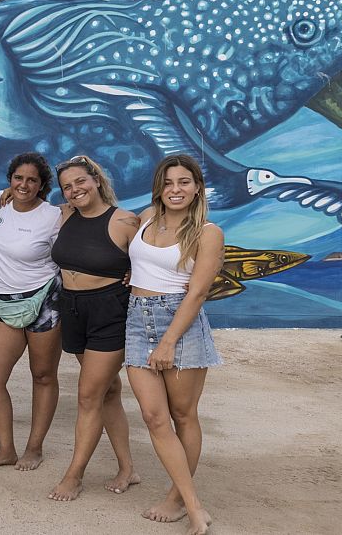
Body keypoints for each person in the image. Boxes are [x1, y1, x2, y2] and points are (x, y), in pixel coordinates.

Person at [126, 155, 223, 535]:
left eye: (184, 182)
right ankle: (194, 504)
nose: (176, 190)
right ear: (159, 188)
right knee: (153, 416)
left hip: (178, 323)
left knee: (183, 416)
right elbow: (119, 234)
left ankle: (180, 500)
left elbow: (198, 292)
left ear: (197, 187)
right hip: (137, 318)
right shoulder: (147, 216)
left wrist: (167, 342)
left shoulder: (207, 232)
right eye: (169, 183)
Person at [48, 155, 141, 501]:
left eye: (81, 182)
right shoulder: (66, 214)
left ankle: (74, 475)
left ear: (97, 180)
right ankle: (128, 468)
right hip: (73, 310)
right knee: (108, 392)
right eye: (68, 187)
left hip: (109, 312)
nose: (75, 190)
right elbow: (23, 202)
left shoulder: (125, 221)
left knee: (88, 396)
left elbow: (154, 253)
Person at [0, 153, 63, 472]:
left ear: (42, 185)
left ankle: (34, 448)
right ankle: (6, 449)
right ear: (9, 179)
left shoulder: (53, 216)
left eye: (32, 180)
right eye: (19, 178)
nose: (24, 185)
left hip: (45, 300)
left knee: (42, 375)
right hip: (5, 303)